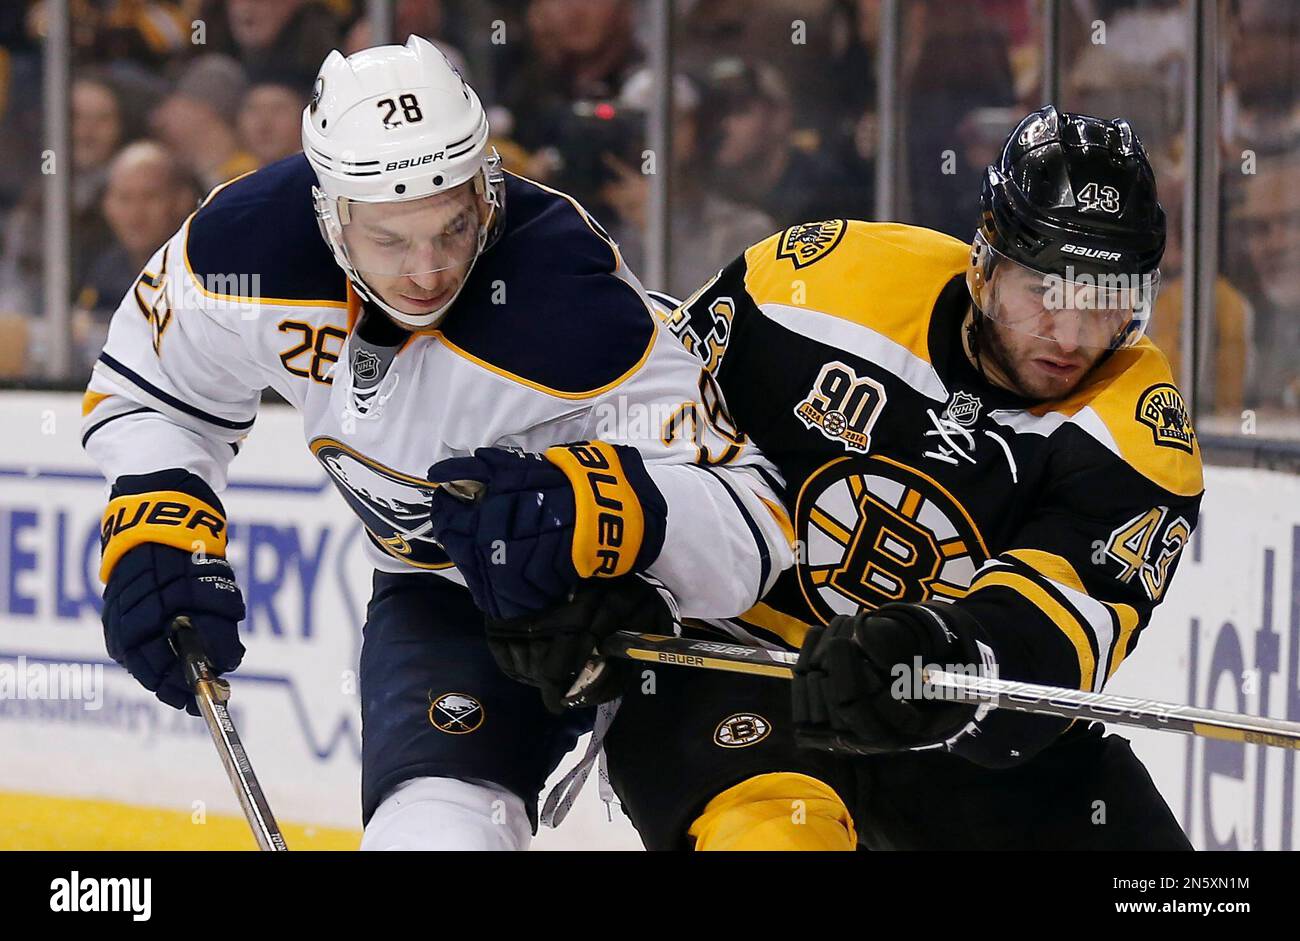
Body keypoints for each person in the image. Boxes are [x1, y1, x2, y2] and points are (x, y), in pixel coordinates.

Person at [81, 36, 793, 851]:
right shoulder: (241, 249)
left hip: (632, 602)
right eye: (389, 240)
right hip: (441, 597)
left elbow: (752, 513)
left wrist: (604, 512)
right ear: (328, 213)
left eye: (452, 229)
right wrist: (159, 505)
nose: (427, 270)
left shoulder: (570, 299)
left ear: (486, 191)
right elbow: (154, 384)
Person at [496, 106, 1202, 851]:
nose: (1071, 335)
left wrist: (940, 657)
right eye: (1045, 293)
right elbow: (646, 436)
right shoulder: (811, 287)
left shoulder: (1138, 436)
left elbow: (1048, 645)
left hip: (941, 715)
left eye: (1106, 299)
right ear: (986, 258)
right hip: (734, 669)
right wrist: (600, 574)